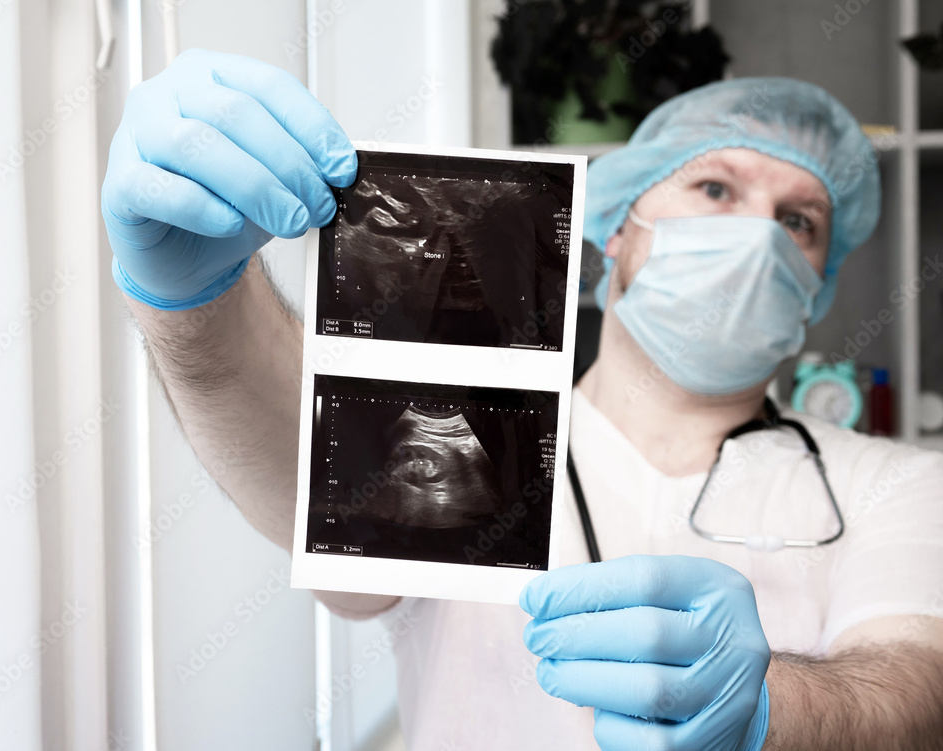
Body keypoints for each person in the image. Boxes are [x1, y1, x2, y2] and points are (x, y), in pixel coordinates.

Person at [101, 48, 943, 750]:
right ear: (619, 228)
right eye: (716, 189)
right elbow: (314, 492)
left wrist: (770, 706)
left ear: (817, 286)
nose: (757, 234)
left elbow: (914, 690)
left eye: (798, 221)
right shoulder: (464, 434)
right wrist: (200, 303)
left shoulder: (893, 483)